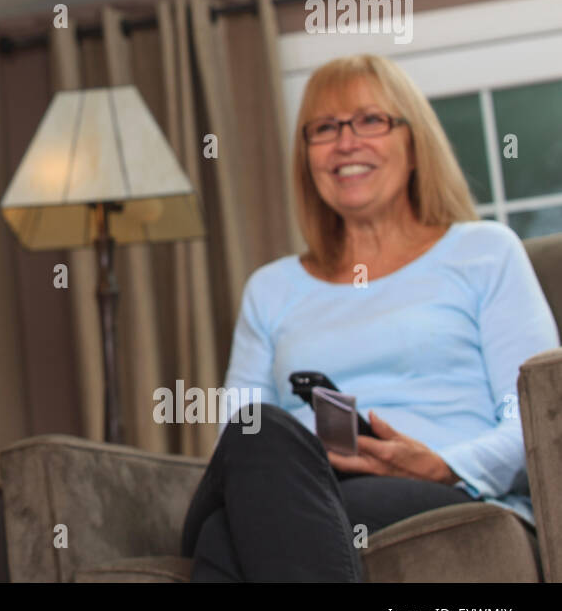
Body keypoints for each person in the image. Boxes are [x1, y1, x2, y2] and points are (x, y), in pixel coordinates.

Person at [179, 53, 557, 581]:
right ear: (307, 158)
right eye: (324, 128)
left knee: (224, 533)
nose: (345, 142)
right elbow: (233, 438)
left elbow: (538, 419)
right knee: (256, 430)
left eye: (370, 120)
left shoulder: (485, 253)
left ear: (414, 143)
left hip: (443, 490)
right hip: (297, 475)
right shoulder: (270, 288)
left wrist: (443, 464)